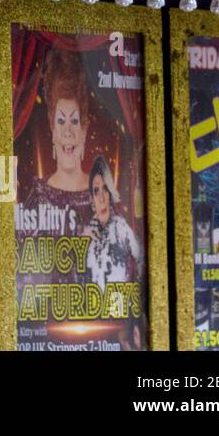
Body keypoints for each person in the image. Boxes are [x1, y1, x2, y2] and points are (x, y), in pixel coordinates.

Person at [22, 48, 95, 239]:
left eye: (75, 121)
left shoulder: (102, 196)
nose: (68, 131)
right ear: (53, 131)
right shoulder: (37, 198)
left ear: (84, 130)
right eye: (61, 121)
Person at [82, 155, 142, 293]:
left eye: (105, 189)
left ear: (110, 193)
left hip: (117, 307)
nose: (102, 197)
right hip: (93, 309)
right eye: (96, 191)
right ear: (91, 199)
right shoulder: (87, 233)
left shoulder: (120, 228)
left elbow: (141, 256)